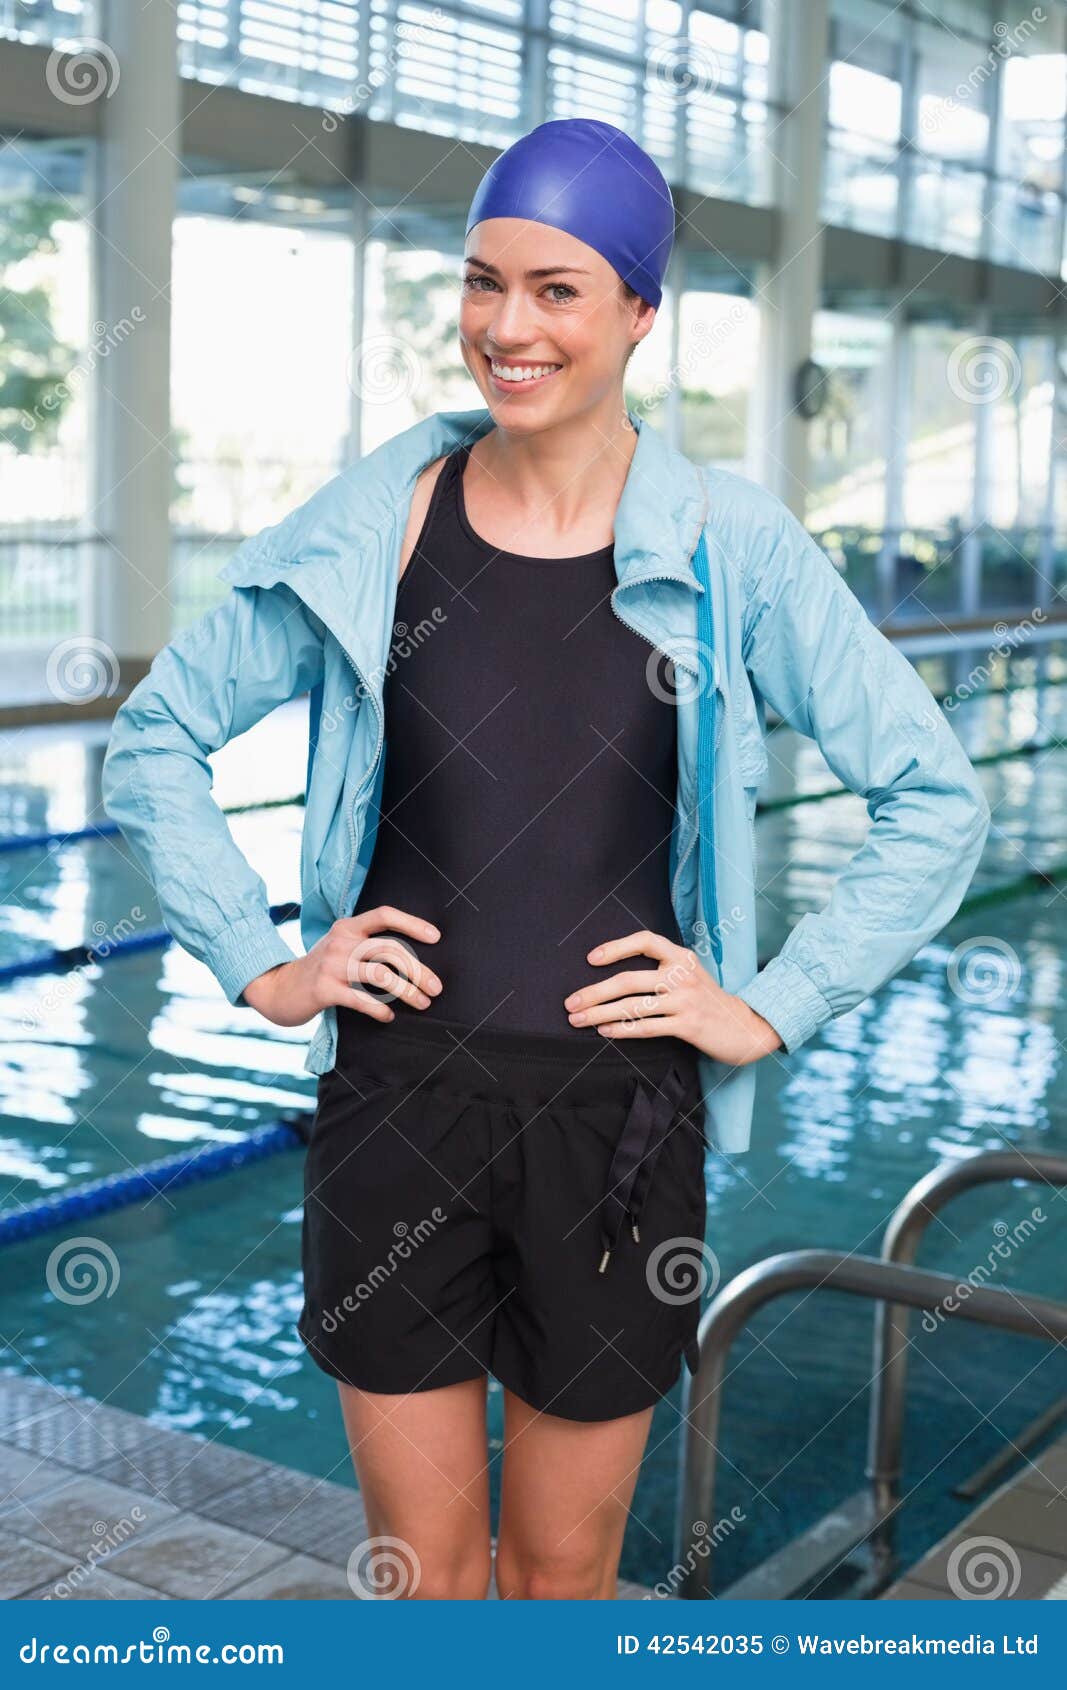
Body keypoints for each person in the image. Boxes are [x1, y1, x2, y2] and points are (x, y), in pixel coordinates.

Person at [102, 118, 990, 1601]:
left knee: (561, 1574)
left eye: (559, 290)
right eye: (483, 283)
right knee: (421, 1573)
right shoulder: (379, 528)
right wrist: (265, 961)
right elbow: (156, 736)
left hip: (617, 1136)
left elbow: (932, 794)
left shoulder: (731, 549)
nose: (508, 328)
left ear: (641, 311)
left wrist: (768, 1003)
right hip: (399, 1106)